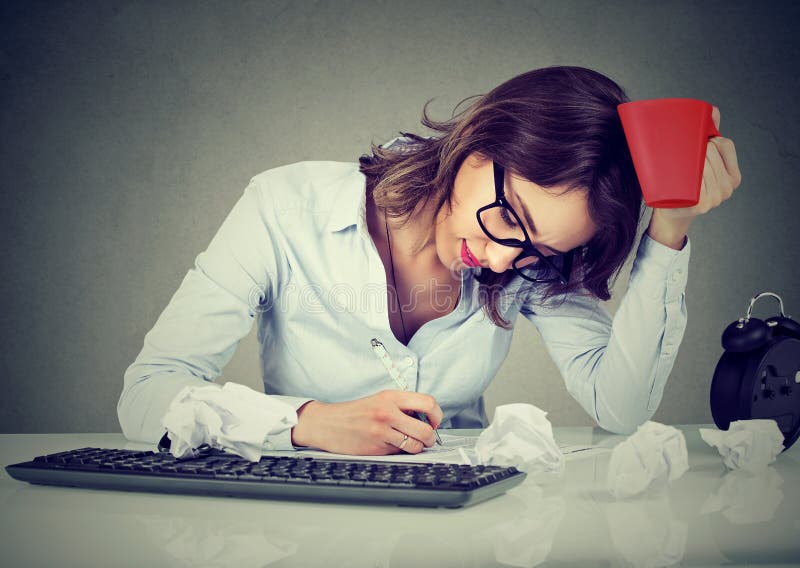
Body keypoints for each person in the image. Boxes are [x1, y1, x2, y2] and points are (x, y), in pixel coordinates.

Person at [118, 66, 741, 456]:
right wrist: (306, 423)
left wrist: (670, 228)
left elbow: (621, 406)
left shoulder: (527, 266)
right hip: (297, 529)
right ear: (480, 141)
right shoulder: (284, 208)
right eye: (509, 218)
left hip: (460, 532)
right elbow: (146, 395)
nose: (500, 260)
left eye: (537, 249)